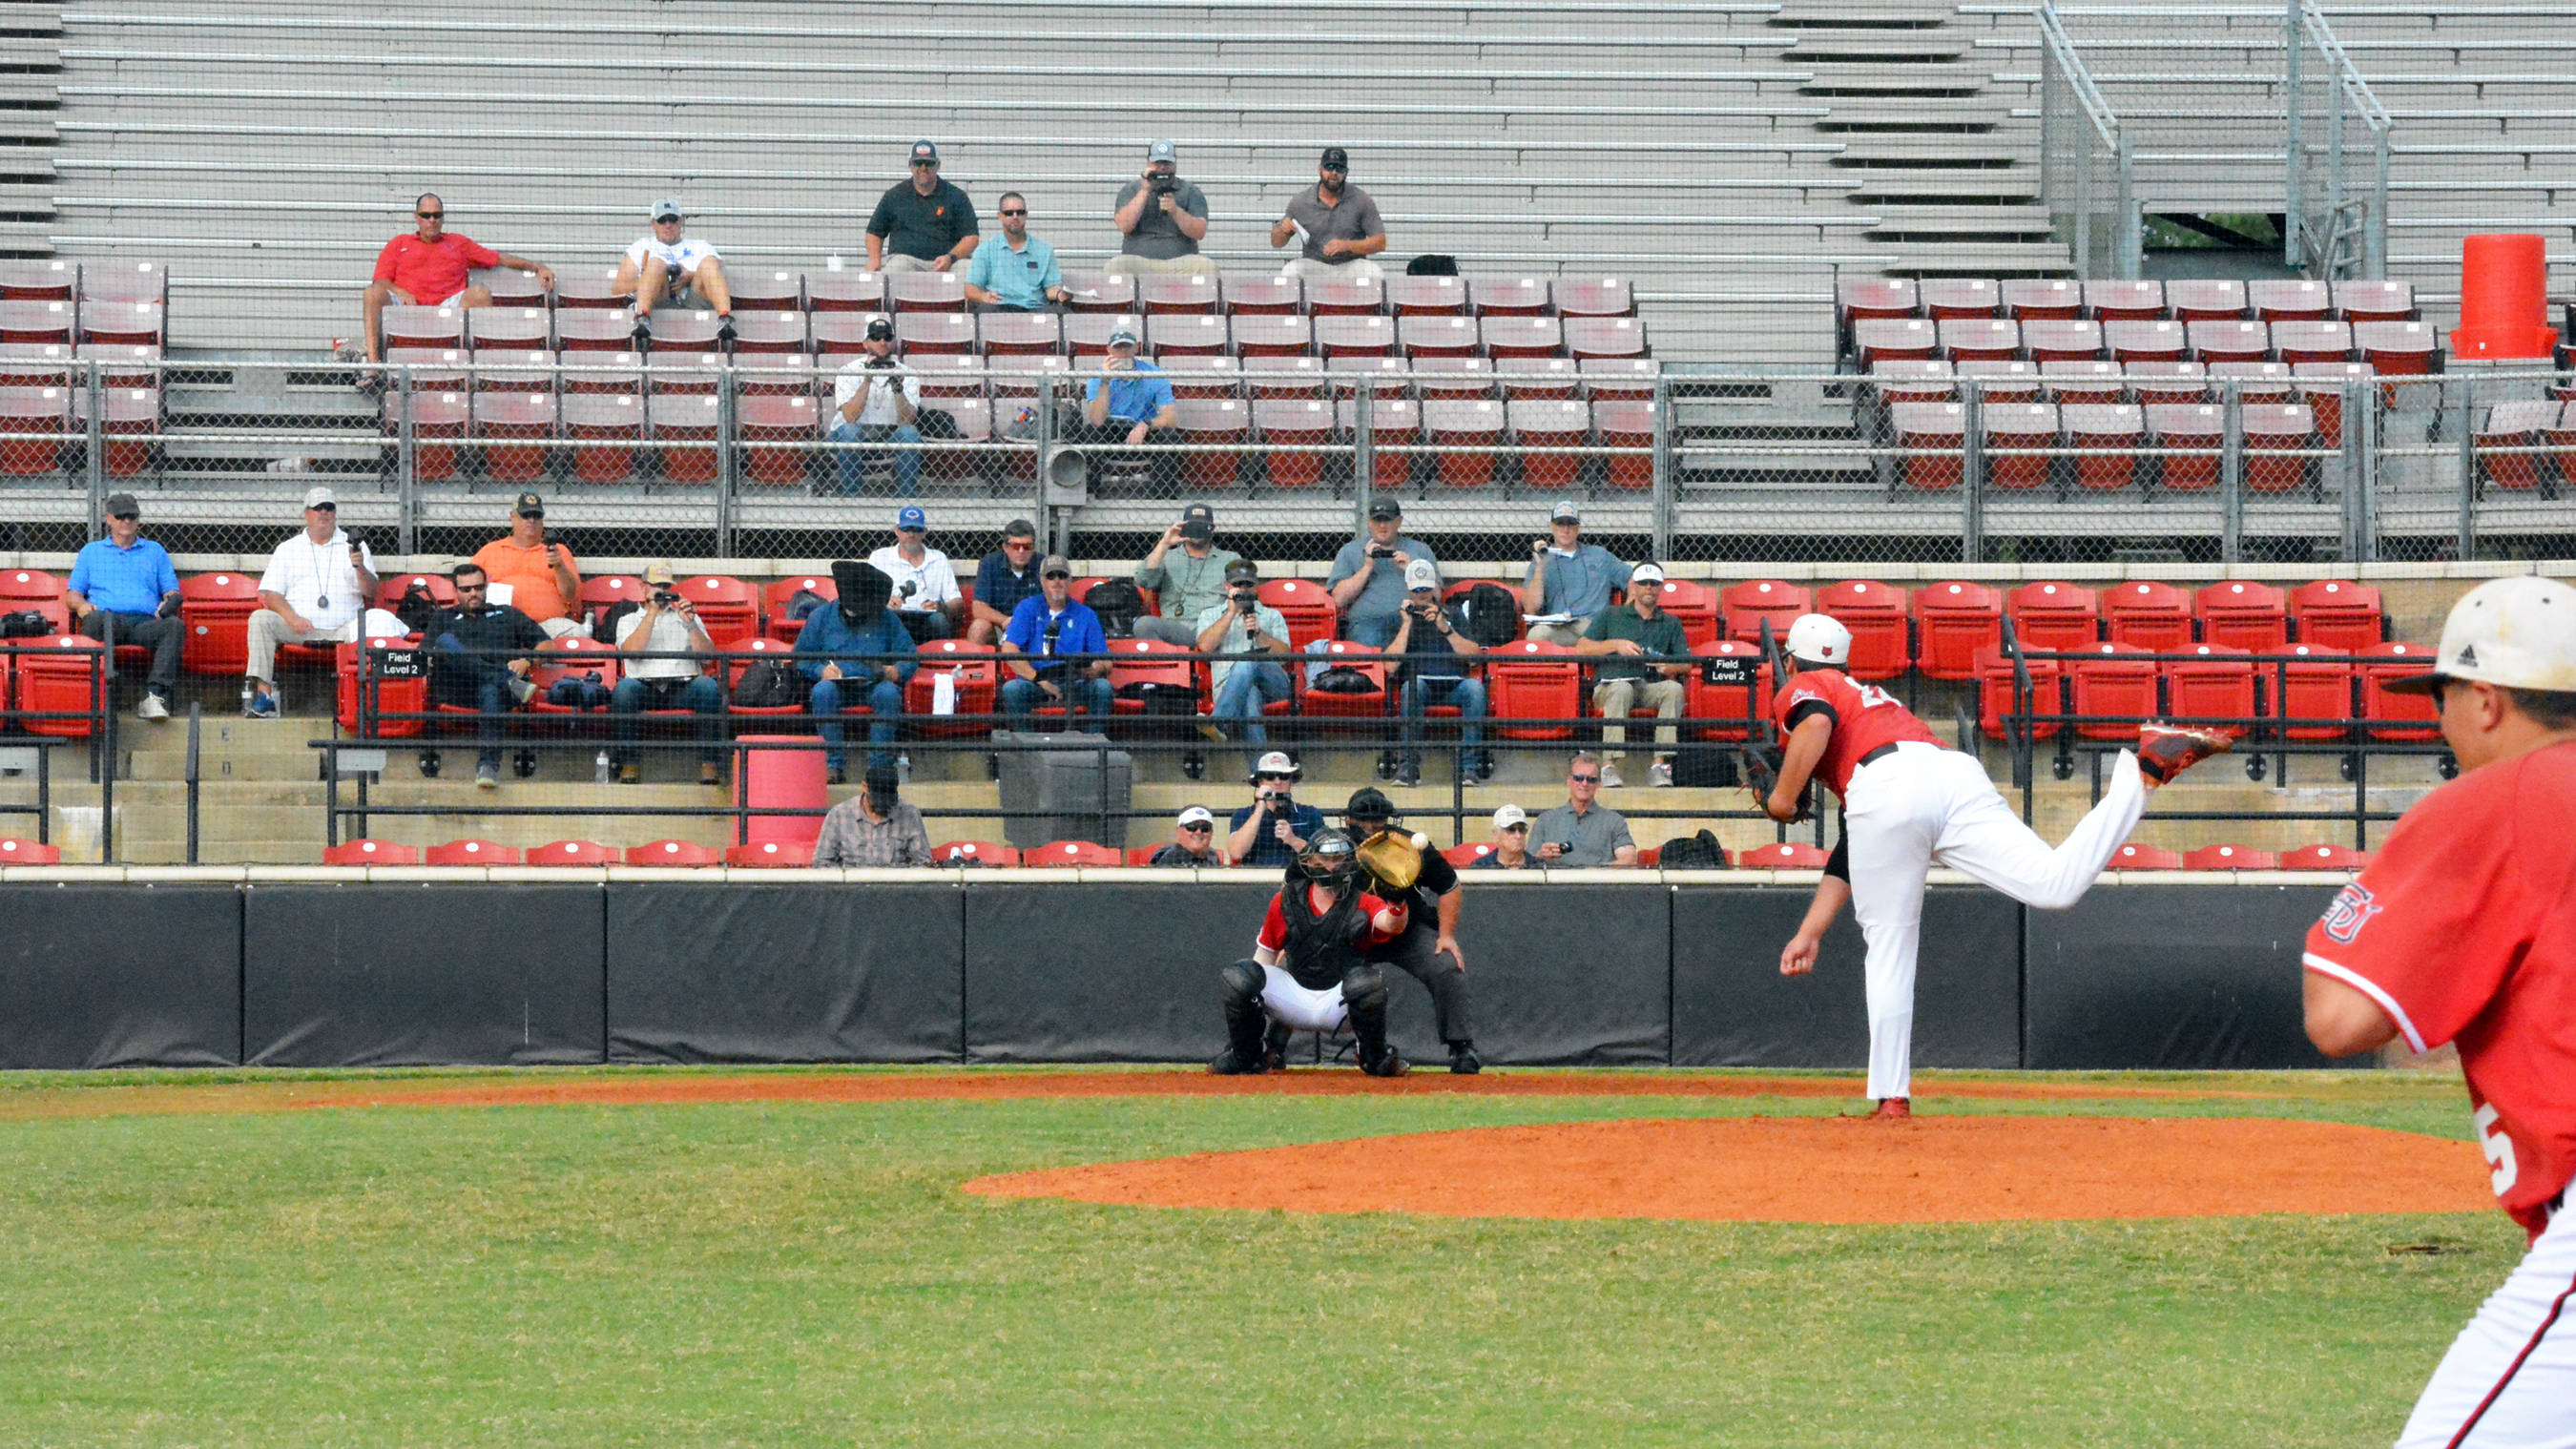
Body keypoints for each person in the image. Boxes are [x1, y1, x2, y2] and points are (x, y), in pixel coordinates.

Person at [2298, 575, 2576, 1449]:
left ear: (2487, 700)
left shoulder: (2502, 796)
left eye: (2442, 695)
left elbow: (2340, 1016)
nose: (2438, 719)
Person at [1765, 612, 2233, 1119]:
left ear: (1792, 660)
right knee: (2053, 886)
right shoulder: (1871, 698)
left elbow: (1815, 722)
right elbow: (1853, 847)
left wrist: (1781, 800)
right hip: (1949, 772)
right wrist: (1811, 931)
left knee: (1890, 943)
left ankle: (1892, 1097)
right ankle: (2142, 772)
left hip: (1884, 783)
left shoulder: (1809, 685)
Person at [1210, 827, 1411, 1077]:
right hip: (1295, 994)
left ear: (1350, 862)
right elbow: (1264, 956)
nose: (1332, 866)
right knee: (1239, 977)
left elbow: (1392, 925)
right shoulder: (1285, 900)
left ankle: (1374, 1056)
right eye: (1325, 858)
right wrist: (1250, 997)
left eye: (1340, 859)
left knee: (1367, 982)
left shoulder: (1364, 899)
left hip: (1340, 1000)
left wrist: (1397, 901)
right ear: (1310, 861)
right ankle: (1247, 1054)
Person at [1344, 787, 1481, 1073]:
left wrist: (1446, 935)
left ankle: (1462, 1047)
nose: (1372, 826)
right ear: (1349, 821)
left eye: (1379, 819)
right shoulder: (1335, 848)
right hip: (1351, 935)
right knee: (1301, 964)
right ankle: (1275, 1045)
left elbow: (1449, 885)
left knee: (1446, 967)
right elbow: (1298, 884)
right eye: (1365, 820)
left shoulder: (1410, 846)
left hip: (1405, 931)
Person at [360, 193, 553, 365]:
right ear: (416, 217)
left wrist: (537, 267)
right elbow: (380, 282)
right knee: (371, 294)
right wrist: (400, 291)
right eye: (426, 215)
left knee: (480, 294)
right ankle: (374, 366)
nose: (432, 220)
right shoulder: (399, 243)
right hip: (406, 306)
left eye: (437, 215)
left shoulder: (458, 243)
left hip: (449, 306)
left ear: (443, 217)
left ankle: (482, 368)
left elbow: (498, 258)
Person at [244, 486, 376, 717]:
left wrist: (360, 567)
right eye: (317, 508)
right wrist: (293, 619)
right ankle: (265, 696)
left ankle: (363, 702)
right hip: (301, 628)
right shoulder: (288, 548)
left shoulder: (355, 545)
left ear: (335, 513)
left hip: (345, 629)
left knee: (373, 622)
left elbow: (372, 591)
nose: (324, 512)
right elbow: (271, 594)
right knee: (260, 619)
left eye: (329, 507)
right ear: (306, 513)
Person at [422, 562, 545, 790]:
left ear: (486, 587)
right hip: (457, 689)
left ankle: (487, 766)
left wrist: (527, 661)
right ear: (455, 590)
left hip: (498, 695)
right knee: (445, 642)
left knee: (490, 689)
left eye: (478, 587)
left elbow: (547, 645)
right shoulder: (443, 618)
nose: (473, 593)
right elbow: (424, 655)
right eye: (466, 589)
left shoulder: (507, 614)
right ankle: (506, 679)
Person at [794, 562, 916, 785]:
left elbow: (910, 655)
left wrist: (897, 671)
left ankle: (879, 767)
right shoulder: (820, 617)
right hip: (836, 685)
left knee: (889, 693)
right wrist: (821, 670)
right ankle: (832, 765)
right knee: (822, 691)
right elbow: (800, 657)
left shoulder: (886, 618)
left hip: (874, 684)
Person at [65, 490, 182, 721]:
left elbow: (172, 592)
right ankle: (93, 695)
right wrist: (82, 606)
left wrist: (168, 603)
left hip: (144, 623)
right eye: (120, 516)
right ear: (109, 519)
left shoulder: (155, 551)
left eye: (131, 516)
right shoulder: (91, 552)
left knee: (174, 626)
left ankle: (154, 696)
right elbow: (73, 594)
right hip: (108, 619)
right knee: (95, 620)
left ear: (138, 519)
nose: (126, 521)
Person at [608, 559, 724, 787]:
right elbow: (632, 652)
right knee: (623, 690)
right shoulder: (627, 619)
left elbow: (708, 657)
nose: (662, 590)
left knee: (708, 687)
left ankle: (709, 763)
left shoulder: (687, 615)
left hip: (683, 686)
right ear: (643, 587)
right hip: (644, 687)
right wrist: (651, 612)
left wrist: (691, 624)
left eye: (666, 586)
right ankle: (629, 762)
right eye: (656, 585)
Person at [1575, 560, 1688, 789]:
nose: (1649, 587)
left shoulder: (1670, 622)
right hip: (1610, 686)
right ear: (1633, 586)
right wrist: (1616, 644)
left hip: (1647, 686)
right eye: (1643, 583)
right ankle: (1609, 765)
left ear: (1660, 587)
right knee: (1621, 688)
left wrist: (1670, 667)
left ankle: (1660, 765)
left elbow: (1687, 663)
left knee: (1674, 688)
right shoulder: (1612, 614)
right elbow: (1582, 648)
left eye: (1654, 583)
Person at [1389, 558, 1488, 787]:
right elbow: (1390, 666)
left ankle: (1469, 769)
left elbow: (1474, 658)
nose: (1422, 595)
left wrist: (1445, 628)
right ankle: (1408, 768)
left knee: (1474, 689)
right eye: (1417, 590)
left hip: (1455, 685)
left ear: (1434, 587)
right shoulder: (1400, 617)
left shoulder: (1453, 614)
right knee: (1411, 688)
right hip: (1420, 685)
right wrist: (1406, 624)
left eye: (1426, 589)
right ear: (1409, 589)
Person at [1198, 559, 1292, 776]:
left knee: (1248, 659)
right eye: (1237, 584)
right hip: (1229, 689)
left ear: (1255, 586)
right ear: (1227, 586)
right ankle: (1260, 774)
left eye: (1248, 584)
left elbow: (1285, 657)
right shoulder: (1210, 615)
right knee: (1249, 697)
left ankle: (1220, 722)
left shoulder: (1271, 615)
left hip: (1273, 686)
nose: (1243, 589)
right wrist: (1231, 613)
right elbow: (1205, 648)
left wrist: (1259, 633)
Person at [998, 554, 1111, 725]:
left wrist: (1096, 668)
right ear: (1042, 580)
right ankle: (1024, 741)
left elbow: (1106, 661)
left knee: (1103, 687)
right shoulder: (1027, 608)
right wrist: (1039, 680)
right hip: (1037, 682)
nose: (1057, 581)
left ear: (1070, 581)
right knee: (1012, 689)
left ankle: (1094, 740)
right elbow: (1008, 650)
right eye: (1051, 576)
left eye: (1062, 576)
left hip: (1076, 682)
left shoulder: (1086, 614)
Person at [1066, 324, 1177, 486]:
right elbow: (1097, 420)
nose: (1123, 352)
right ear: (1109, 350)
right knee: (1090, 432)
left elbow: (1170, 417)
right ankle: (1091, 491)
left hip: (1143, 431)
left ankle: (1164, 494)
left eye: (1127, 346)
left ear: (1136, 348)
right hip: (1110, 431)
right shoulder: (1097, 378)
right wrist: (1105, 381)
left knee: (1169, 435)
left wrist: (1146, 424)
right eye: (1118, 347)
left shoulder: (1154, 374)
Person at [827, 316, 923, 498]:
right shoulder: (848, 371)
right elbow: (850, 417)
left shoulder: (907, 373)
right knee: (849, 431)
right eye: (876, 337)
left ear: (893, 342)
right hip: (851, 434)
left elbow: (907, 420)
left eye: (887, 337)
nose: (882, 342)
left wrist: (898, 388)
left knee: (910, 433)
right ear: (865, 343)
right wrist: (867, 379)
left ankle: (905, 499)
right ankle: (851, 498)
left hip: (888, 435)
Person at [613, 198, 733, 342]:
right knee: (656, 264)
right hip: (658, 297)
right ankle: (642, 318)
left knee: (708, 263)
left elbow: (719, 274)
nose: (668, 225)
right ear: (653, 223)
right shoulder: (641, 246)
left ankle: (725, 319)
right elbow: (620, 286)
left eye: (672, 219)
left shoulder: (700, 246)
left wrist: (690, 276)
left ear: (680, 221)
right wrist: (652, 279)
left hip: (693, 297)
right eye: (662, 220)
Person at [468, 492, 586, 638]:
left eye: (536, 516)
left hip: (547, 626)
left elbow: (571, 594)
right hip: (499, 626)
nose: (531, 520)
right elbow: (467, 591)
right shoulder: (489, 551)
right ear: (513, 517)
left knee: (575, 632)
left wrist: (559, 566)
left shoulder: (558, 551)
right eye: (525, 515)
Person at [1324, 497, 1436, 649]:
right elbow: (1339, 599)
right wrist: (1367, 567)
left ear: (1399, 522)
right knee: (1367, 641)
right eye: (1377, 520)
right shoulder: (1350, 551)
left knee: (1429, 644)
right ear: (1370, 522)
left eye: (1388, 520)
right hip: (1367, 622)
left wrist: (1413, 570)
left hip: (1414, 619)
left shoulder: (1420, 550)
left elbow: (1437, 595)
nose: (1382, 526)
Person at [1271, 146, 1387, 284]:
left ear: (1346, 172)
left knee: (1375, 273)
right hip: (1315, 265)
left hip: (1351, 265)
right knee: (1290, 271)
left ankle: (1366, 299)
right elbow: (1276, 243)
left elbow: (1381, 242)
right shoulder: (1300, 201)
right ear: (1320, 169)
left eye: (1340, 168)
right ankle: (1297, 300)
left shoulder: (1361, 200)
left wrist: (1347, 245)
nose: (1334, 173)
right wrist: (1282, 231)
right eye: (1329, 167)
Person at [1524, 500, 1631, 646]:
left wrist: (1626, 611)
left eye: (1571, 524)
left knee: (1593, 632)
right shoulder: (1541, 560)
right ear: (1552, 526)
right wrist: (1540, 566)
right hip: (1561, 627)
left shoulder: (1599, 556)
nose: (1565, 529)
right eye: (1560, 524)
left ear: (1578, 527)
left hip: (1594, 626)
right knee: (1536, 635)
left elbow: (1635, 579)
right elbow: (1530, 609)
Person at [1133, 504, 1243, 646]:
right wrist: (1164, 543)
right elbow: (1143, 581)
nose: (1197, 530)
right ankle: (1168, 661)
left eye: (1202, 526)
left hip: (1216, 630)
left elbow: (1245, 595)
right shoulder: (1166, 557)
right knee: (1144, 624)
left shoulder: (1230, 559)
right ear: (1183, 528)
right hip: (1178, 628)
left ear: (1212, 529)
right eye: (1193, 526)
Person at [866, 140, 979, 275]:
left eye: (929, 163)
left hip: (948, 263)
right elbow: (874, 232)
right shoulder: (894, 196)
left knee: (970, 269)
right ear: (910, 164)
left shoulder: (956, 196)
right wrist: (874, 260)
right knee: (894, 268)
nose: (923, 168)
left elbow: (971, 237)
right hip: (907, 262)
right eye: (918, 163)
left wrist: (950, 257)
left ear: (938, 165)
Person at [1108, 138, 1215, 280]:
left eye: (1167, 163)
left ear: (1174, 164)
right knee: (1115, 266)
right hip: (1140, 262)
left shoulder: (1190, 191)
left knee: (1206, 266)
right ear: (1148, 162)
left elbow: (1199, 232)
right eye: (1157, 163)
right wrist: (1145, 191)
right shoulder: (1131, 190)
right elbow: (1124, 226)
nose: (1162, 168)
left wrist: (1176, 211)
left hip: (1180, 263)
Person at [866, 505, 964, 643]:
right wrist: (884, 602)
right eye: (906, 529)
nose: (911, 535)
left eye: (916, 529)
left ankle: (939, 658)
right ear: (897, 531)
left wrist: (940, 607)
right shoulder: (880, 557)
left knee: (939, 620)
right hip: (894, 616)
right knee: (880, 619)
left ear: (924, 532)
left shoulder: (938, 558)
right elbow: (865, 595)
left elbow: (957, 601)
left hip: (926, 619)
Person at [811, 761, 931, 867]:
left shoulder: (909, 814)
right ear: (865, 787)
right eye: (878, 798)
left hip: (896, 883)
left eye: (889, 799)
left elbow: (922, 862)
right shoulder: (839, 815)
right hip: (852, 883)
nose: (884, 804)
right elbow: (822, 862)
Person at [1528, 752, 1638, 868]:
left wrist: (1598, 872)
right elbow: (1527, 861)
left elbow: (1629, 859)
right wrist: (1541, 856)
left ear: (1598, 784)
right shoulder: (1545, 820)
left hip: (1597, 879)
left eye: (1591, 779)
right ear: (1569, 781)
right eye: (1579, 778)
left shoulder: (1614, 821)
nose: (1584, 783)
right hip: (1556, 879)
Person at [963, 192, 1066, 311]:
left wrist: (1059, 294)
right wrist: (983, 296)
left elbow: (1051, 288)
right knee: (984, 310)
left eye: (1020, 212)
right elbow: (970, 288)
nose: (1015, 217)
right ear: (1000, 216)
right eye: (1009, 213)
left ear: (1026, 215)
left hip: (1034, 310)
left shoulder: (1044, 250)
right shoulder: (985, 250)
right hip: (998, 309)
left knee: (1058, 311)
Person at [1227, 749, 1327, 871]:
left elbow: (1324, 859)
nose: (1278, 782)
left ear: (1290, 781)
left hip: (1298, 879)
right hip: (1255, 880)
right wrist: (1259, 809)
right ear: (1260, 782)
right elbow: (1236, 853)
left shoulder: (1310, 814)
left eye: (1283, 776)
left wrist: (1293, 840)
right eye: (1270, 777)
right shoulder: (1242, 815)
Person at [968, 518, 1044, 646]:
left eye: (1027, 546)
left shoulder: (1043, 566)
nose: (1021, 551)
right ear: (1005, 547)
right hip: (1000, 626)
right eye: (1016, 546)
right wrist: (1005, 621)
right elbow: (978, 608)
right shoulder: (989, 564)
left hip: (1034, 625)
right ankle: (973, 660)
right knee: (979, 627)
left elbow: (1055, 604)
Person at [1148, 805, 1226, 867]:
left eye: (1205, 828)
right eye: (1192, 827)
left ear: (1211, 833)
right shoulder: (1169, 860)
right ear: (1179, 831)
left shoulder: (1212, 856)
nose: (1198, 832)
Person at [1471, 803, 1536, 870]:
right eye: (1511, 829)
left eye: (1522, 829)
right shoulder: (1481, 867)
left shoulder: (1539, 866)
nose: (1518, 836)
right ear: (1496, 834)